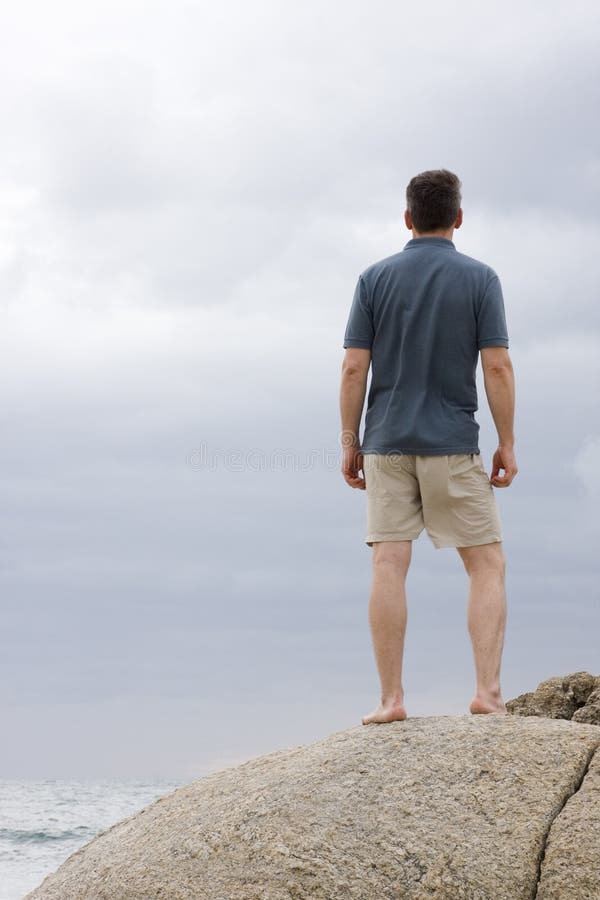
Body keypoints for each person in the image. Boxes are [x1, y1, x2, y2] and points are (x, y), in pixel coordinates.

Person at [339, 169, 517, 725]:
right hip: (452, 443)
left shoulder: (373, 279)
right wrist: (507, 441)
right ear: (458, 218)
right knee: (485, 563)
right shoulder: (481, 279)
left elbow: (353, 368)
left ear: (408, 218)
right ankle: (487, 692)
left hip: (387, 443)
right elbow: (497, 365)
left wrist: (351, 441)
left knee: (389, 564)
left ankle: (391, 700)